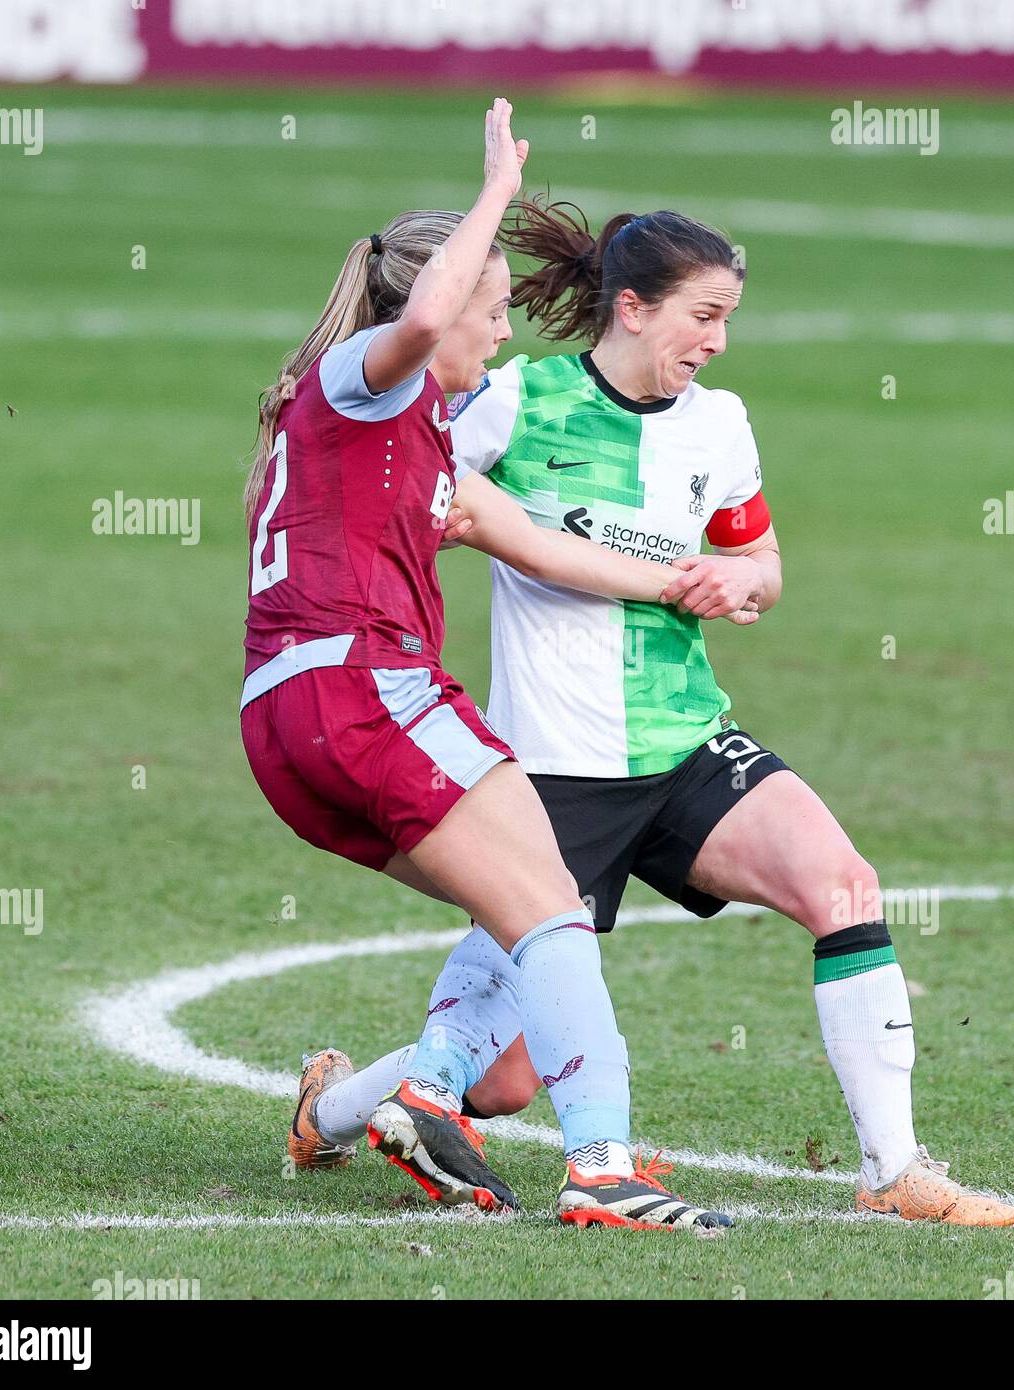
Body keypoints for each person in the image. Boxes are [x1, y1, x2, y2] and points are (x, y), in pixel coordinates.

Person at [311, 196, 1014, 1228]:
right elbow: (429, 504)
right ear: (632, 309)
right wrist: (604, 562)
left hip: (686, 741)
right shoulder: (516, 402)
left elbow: (762, 562)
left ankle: (895, 1168)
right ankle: (329, 1107)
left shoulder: (720, 425)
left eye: (729, 317)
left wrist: (745, 588)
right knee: (502, 1083)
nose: (718, 340)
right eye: (703, 314)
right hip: (554, 769)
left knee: (843, 883)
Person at [242, 103, 746, 1231]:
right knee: (555, 909)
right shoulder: (362, 380)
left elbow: (536, 542)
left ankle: (357, 1107)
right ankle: (603, 1166)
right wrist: (491, 196)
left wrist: (688, 582)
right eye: (494, 310)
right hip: (366, 691)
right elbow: (425, 314)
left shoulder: (403, 428)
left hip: (291, 723)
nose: (502, 335)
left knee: (524, 917)